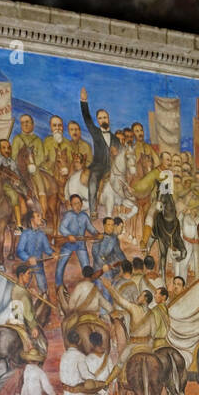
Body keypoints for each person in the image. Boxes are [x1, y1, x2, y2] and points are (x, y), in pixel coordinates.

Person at [80, 87, 120, 218]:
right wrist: (84, 101)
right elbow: (87, 119)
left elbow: (120, 155)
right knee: (93, 181)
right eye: (100, 118)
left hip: (111, 167)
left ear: (108, 119)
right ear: (98, 121)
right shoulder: (96, 132)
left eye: (105, 117)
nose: (103, 120)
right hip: (98, 166)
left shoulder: (115, 138)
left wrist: (116, 153)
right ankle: (92, 210)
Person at [57, 194, 98, 289]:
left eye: (79, 203)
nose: (77, 205)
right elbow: (62, 228)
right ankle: (58, 286)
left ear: (82, 204)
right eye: (75, 204)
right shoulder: (68, 215)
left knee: (87, 266)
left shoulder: (84, 216)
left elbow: (90, 228)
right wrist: (69, 235)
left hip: (80, 245)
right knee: (61, 265)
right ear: (71, 205)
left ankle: (89, 286)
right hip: (68, 245)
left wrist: (97, 233)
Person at [14, 210, 54, 295]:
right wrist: (28, 258)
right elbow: (20, 251)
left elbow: (47, 249)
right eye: (38, 216)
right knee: (23, 289)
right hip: (27, 266)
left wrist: (52, 253)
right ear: (32, 219)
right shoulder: (25, 234)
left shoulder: (42, 234)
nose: (41, 218)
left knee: (43, 290)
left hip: (39, 265)